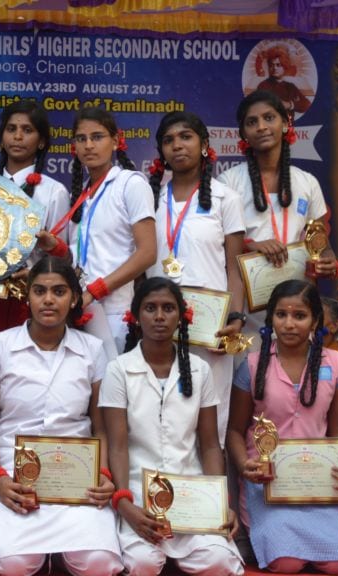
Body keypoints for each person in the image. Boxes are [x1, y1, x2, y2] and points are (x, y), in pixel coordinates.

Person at [0, 256, 123, 576]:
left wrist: (105, 474)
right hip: (13, 474)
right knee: (13, 564)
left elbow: (100, 427)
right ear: (27, 296)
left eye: (59, 291)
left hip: (78, 474)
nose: (48, 299)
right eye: (39, 291)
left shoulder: (92, 349)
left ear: (73, 298)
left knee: (99, 562)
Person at [101, 277, 244, 576]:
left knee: (218, 562)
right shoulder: (119, 370)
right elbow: (117, 444)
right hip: (139, 497)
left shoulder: (200, 370)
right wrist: (125, 504)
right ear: (136, 316)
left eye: (168, 308)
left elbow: (209, 445)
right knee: (143, 563)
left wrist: (219, 502)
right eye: (150, 308)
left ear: (182, 316)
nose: (159, 316)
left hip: (192, 497)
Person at [226, 279, 338, 574]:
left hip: (321, 480)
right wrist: (243, 465)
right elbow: (235, 432)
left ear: (315, 320)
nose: (289, 324)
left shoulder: (337, 365)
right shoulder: (252, 365)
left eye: (299, 316)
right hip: (268, 482)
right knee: (286, 563)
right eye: (281, 315)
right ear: (271, 319)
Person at [146, 110, 247, 444]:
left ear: (204, 145)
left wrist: (235, 317)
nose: (178, 146)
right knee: (159, 413)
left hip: (209, 326)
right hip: (157, 321)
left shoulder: (225, 199)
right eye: (169, 140)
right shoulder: (150, 198)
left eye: (186, 137)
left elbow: (234, 267)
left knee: (210, 417)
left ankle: (207, 493)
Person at [217, 91, 338, 340]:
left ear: (285, 125)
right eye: (252, 122)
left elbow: (320, 242)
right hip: (248, 307)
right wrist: (253, 245)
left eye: (269, 118)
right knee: (249, 375)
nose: (261, 127)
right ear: (243, 135)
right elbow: (216, 242)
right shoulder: (228, 182)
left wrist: (328, 261)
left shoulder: (307, 182)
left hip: (296, 307)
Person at [0, 99, 72, 360]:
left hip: (29, 298)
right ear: (1, 138)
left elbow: (63, 258)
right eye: (11, 129)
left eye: (27, 130)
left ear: (42, 141)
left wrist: (32, 271)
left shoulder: (53, 191)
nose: (18, 136)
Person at [67, 106, 156, 356]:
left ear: (116, 142)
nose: (88, 145)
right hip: (82, 307)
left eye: (97, 137)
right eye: (81, 139)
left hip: (116, 310)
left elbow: (147, 253)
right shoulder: (81, 193)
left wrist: (96, 290)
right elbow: (80, 255)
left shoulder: (131, 183)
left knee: (113, 390)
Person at [254, 45, 311, 114]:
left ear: (285, 66)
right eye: (271, 65)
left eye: (278, 65)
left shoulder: (290, 87)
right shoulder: (263, 86)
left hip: (288, 124)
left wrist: (289, 105)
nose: (274, 68)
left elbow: (306, 104)